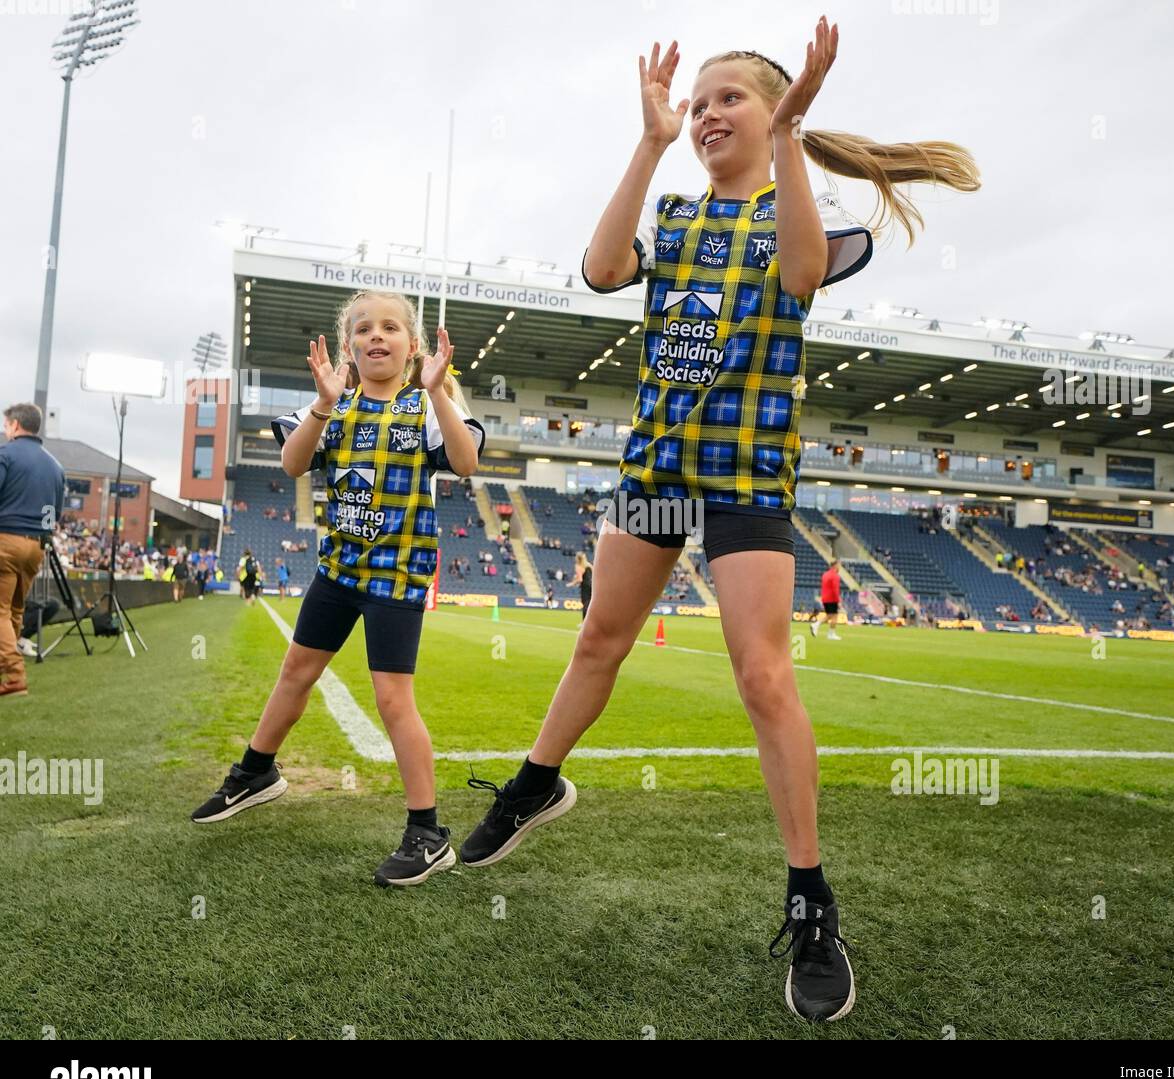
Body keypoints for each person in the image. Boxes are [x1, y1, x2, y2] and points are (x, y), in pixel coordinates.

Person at [456, 24, 977, 1022]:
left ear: (774, 113)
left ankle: (811, 897)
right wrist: (648, 142)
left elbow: (795, 272)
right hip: (656, 465)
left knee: (762, 674)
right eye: (697, 103)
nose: (706, 114)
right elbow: (602, 270)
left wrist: (791, 131)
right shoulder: (677, 212)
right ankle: (534, 783)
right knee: (599, 640)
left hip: (744, 474)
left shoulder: (799, 222)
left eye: (725, 98)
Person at [191, 290, 484, 888]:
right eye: (364, 329)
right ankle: (256, 773)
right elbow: (294, 465)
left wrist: (437, 391)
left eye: (391, 328)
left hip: (396, 578)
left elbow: (467, 460)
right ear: (348, 345)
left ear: (413, 344)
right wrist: (323, 405)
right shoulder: (332, 404)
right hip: (337, 572)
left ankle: (427, 833)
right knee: (295, 671)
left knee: (392, 700)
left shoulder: (427, 404)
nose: (377, 336)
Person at [0, 403, 65, 698]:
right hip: (36, 545)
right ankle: (6, 670)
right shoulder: (55, 466)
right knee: (14, 611)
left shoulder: (5, 455)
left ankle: (14, 675)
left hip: (5, 540)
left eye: (5, 425)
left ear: (14, 425)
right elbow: (54, 515)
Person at [810, 558, 842, 639]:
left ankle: (816, 625)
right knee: (834, 616)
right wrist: (838, 601)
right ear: (835, 565)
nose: (839, 567)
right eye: (839, 565)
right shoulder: (835, 576)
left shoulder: (825, 574)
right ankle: (831, 634)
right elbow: (835, 589)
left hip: (825, 598)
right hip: (832, 598)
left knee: (829, 615)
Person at [567, 550, 593, 619]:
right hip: (591, 585)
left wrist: (572, 583)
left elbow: (580, 579)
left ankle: (584, 622)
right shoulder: (588, 565)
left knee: (585, 604)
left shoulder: (578, 566)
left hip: (585, 587)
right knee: (590, 604)